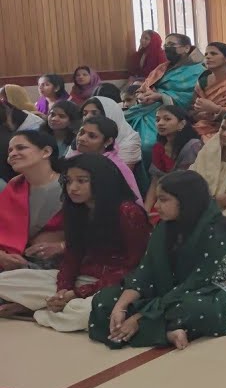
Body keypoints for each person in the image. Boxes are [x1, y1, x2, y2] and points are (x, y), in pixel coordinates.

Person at [89, 170, 226, 350]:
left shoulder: (216, 232)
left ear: (186, 201)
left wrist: (139, 317)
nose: (156, 206)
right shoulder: (164, 227)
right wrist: (121, 306)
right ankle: (167, 333)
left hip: (214, 289)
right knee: (103, 302)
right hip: (171, 286)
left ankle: (148, 330)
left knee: (198, 310)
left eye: (164, 200)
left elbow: (193, 284)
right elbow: (145, 271)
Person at [0, 154, 149, 331]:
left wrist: (77, 293)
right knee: (5, 281)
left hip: (117, 283)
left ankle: (36, 308)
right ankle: (51, 305)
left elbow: (135, 266)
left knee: (81, 314)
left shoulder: (128, 212)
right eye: (69, 181)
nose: (73, 188)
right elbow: (72, 256)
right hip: (83, 277)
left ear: (102, 181)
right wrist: (63, 289)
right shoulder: (75, 209)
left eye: (81, 181)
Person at [124, 33, 204, 163]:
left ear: (186, 48)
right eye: (165, 45)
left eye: (172, 45)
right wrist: (141, 95)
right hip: (144, 109)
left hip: (171, 114)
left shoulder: (197, 70)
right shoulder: (162, 67)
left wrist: (161, 97)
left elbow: (191, 98)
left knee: (147, 145)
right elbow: (144, 87)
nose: (167, 48)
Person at [0, 131, 66, 275]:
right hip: (12, 262)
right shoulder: (15, 186)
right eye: (10, 150)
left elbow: (98, 234)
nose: (12, 154)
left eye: (21, 148)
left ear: (46, 152)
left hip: (58, 267)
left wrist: (61, 246)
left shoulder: (71, 186)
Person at [67, 116, 143, 202]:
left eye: (92, 136)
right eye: (81, 133)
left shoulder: (115, 167)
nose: (82, 138)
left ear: (108, 141)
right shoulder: (73, 157)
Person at [144, 105, 203, 214]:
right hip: (164, 196)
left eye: (167, 119)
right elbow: (155, 181)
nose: (160, 123)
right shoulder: (159, 147)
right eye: (157, 120)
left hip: (186, 199)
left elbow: (187, 184)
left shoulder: (193, 146)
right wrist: (146, 211)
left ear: (182, 124)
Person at [81, 97, 142, 167]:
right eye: (84, 114)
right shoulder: (82, 135)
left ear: (110, 113)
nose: (87, 117)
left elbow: (120, 175)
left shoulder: (130, 140)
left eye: (94, 113)